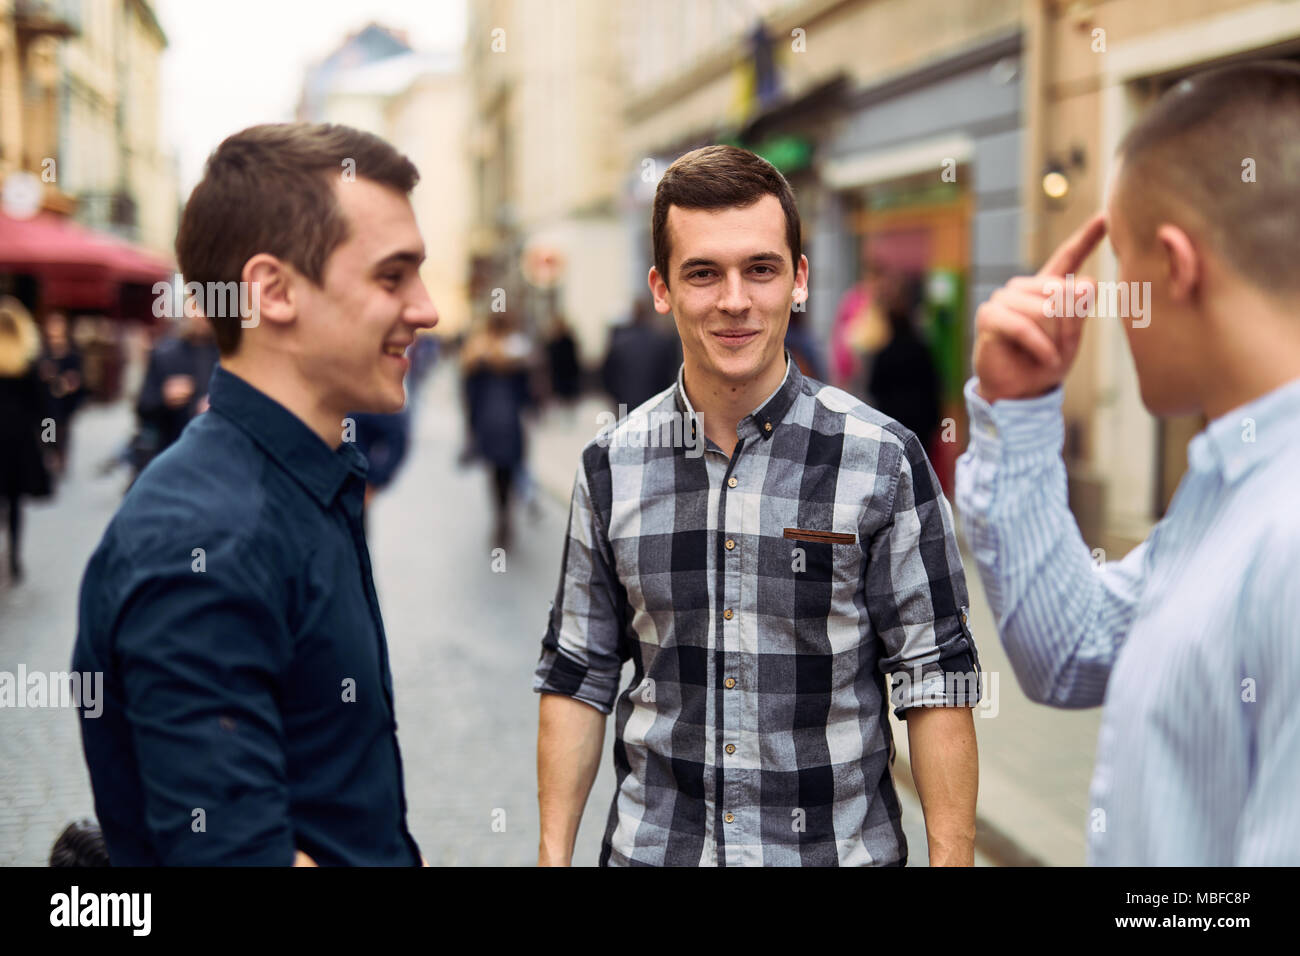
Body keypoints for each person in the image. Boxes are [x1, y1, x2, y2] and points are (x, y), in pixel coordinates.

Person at [534, 145, 980, 867]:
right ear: (661, 287)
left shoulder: (881, 460)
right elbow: (577, 676)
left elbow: (937, 678)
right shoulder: (610, 465)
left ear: (798, 280)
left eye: (761, 269)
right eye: (703, 272)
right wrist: (553, 858)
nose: (734, 299)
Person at [956, 61, 1300, 865]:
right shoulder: (1233, 486)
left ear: (1176, 267)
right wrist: (1018, 403)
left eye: (1122, 274)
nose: (1110, 307)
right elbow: (1070, 649)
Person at [72, 122, 438, 865]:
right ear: (272, 291)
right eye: (392, 276)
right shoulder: (207, 540)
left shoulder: (305, 476)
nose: (427, 308)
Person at [461, 312, 534, 547]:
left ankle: (501, 516)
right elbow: (527, 395)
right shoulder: (518, 355)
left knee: (495, 474)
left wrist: (471, 427)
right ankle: (507, 514)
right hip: (511, 422)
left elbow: (470, 396)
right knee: (509, 471)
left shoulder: (476, 356)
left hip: (488, 423)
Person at [0, 296, 52, 583]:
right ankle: (15, 559)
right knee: (16, 504)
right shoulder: (29, 362)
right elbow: (44, 409)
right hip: (19, 442)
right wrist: (50, 442)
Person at [131, 310, 219, 477]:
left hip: (216, 459)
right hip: (173, 456)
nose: (201, 315)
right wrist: (164, 398)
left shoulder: (230, 357)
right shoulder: (165, 354)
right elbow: (143, 408)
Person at [868, 272, 940, 450]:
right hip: (921, 429)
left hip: (892, 428)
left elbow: (874, 388)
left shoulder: (884, 353)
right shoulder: (922, 350)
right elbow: (935, 389)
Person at [600, 299, 679, 413]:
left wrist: (616, 396)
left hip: (625, 402)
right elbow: (667, 375)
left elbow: (607, 376)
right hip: (654, 403)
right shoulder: (661, 342)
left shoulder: (620, 343)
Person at [37, 310, 85, 478]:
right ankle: (50, 458)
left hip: (66, 402)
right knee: (48, 429)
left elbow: (79, 377)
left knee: (63, 431)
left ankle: (60, 457)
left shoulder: (72, 353)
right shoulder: (43, 352)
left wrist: (69, 383)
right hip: (48, 402)